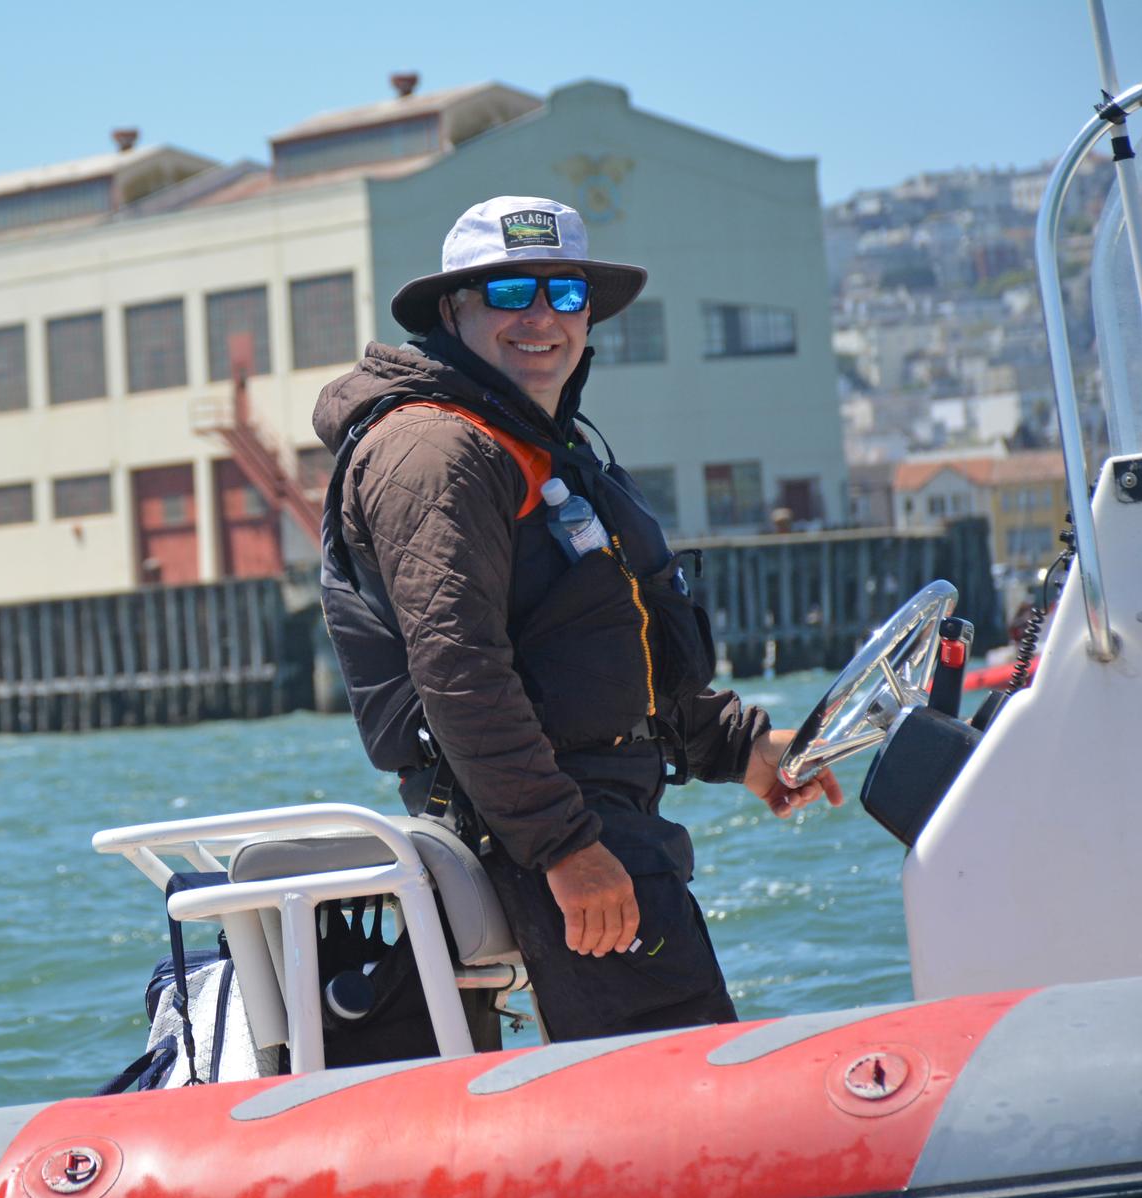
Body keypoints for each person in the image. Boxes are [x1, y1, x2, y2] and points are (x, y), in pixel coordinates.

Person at [314, 196, 841, 1043]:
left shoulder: (532, 441)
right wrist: (563, 846)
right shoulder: (436, 450)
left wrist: (738, 747)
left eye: (565, 294)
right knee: (674, 1084)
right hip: (541, 828)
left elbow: (590, 648)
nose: (541, 317)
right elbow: (461, 673)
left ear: (588, 315)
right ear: (452, 312)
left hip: (588, 817)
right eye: (509, 292)